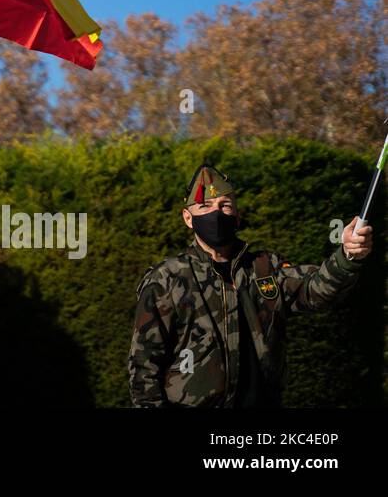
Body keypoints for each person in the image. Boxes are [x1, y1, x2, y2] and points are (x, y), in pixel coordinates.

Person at [128, 164, 372, 407]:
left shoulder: (266, 268)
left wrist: (348, 255)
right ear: (188, 218)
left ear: (237, 215)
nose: (216, 213)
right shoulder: (166, 280)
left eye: (225, 205)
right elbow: (144, 369)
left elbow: (315, 289)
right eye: (205, 206)